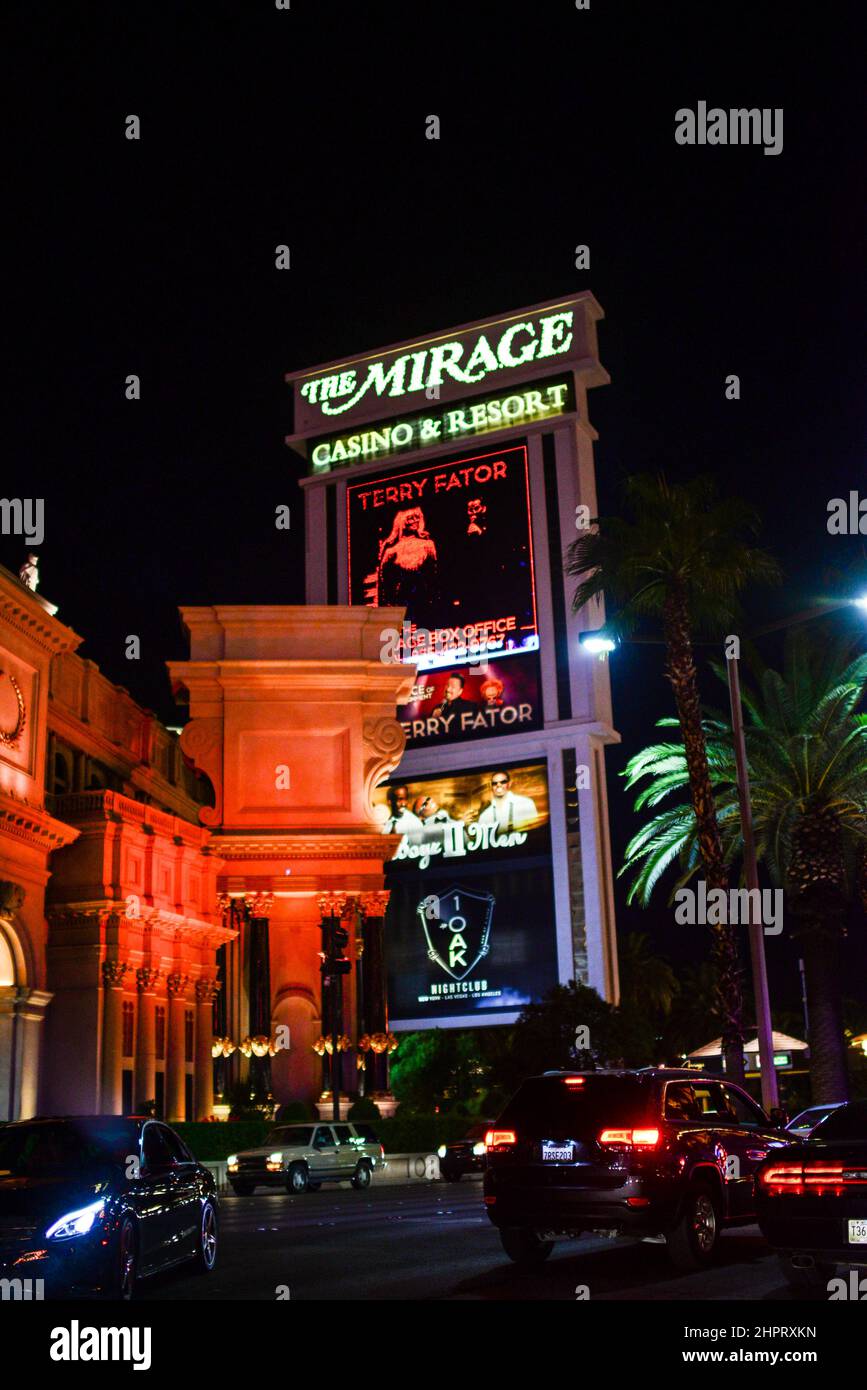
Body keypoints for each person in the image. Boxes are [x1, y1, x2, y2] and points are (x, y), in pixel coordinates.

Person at [377, 508, 438, 617]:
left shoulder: (428, 545)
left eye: (417, 517)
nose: (415, 521)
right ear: (401, 522)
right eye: (410, 518)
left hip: (423, 598)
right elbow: (384, 582)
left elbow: (434, 575)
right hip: (401, 601)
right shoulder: (391, 551)